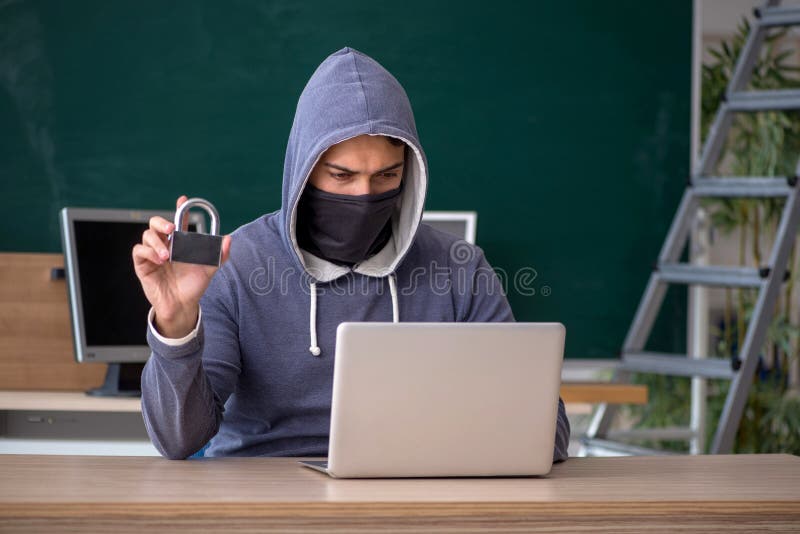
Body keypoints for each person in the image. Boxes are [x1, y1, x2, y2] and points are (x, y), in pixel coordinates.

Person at [133, 47, 570, 461]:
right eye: (342, 176)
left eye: (387, 175)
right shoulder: (236, 263)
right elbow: (178, 440)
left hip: (415, 491)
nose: (365, 196)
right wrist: (176, 321)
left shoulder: (460, 267)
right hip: (265, 496)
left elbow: (547, 435)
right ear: (304, 172)